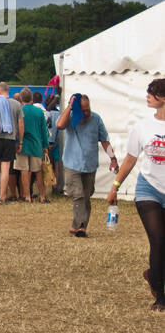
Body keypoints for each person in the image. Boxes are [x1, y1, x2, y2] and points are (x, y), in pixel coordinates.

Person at [107, 79, 165, 310]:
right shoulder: (143, 127)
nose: (148, 96)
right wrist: (115, 186)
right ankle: (161, 296)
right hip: (148, 189)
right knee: (158, 241)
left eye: (153, 93)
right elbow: (131, 158)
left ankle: (153, 274)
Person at [57, 92, 118, 237]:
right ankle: (81, 227)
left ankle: (76, 225)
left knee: (85, 196)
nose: (86, 113)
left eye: (87, 109)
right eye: (82, 110)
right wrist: (70, 107)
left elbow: (105, 141)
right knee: (77, 195)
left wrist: (113, 158)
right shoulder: (71, 118)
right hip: (72, 163)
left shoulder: (96, 119)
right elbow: (59, 125)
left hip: (90, 164)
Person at [0, 83, 24, 204]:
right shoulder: (17, 104)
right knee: (6, 168)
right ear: (8, 90)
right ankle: (3, 197)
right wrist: (20, 141)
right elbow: (21, 125)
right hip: (10, 139)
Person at [15, 88, 49, 203]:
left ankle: (27, 196)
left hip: (23, 144)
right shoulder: (39, 112)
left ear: (21, 99)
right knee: (38, 171)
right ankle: (42, 196)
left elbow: (17, 128)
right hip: (36, 144)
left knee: (24, 171)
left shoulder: (20, 110)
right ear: (32, 98)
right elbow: (44, 130)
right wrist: (45, 145)